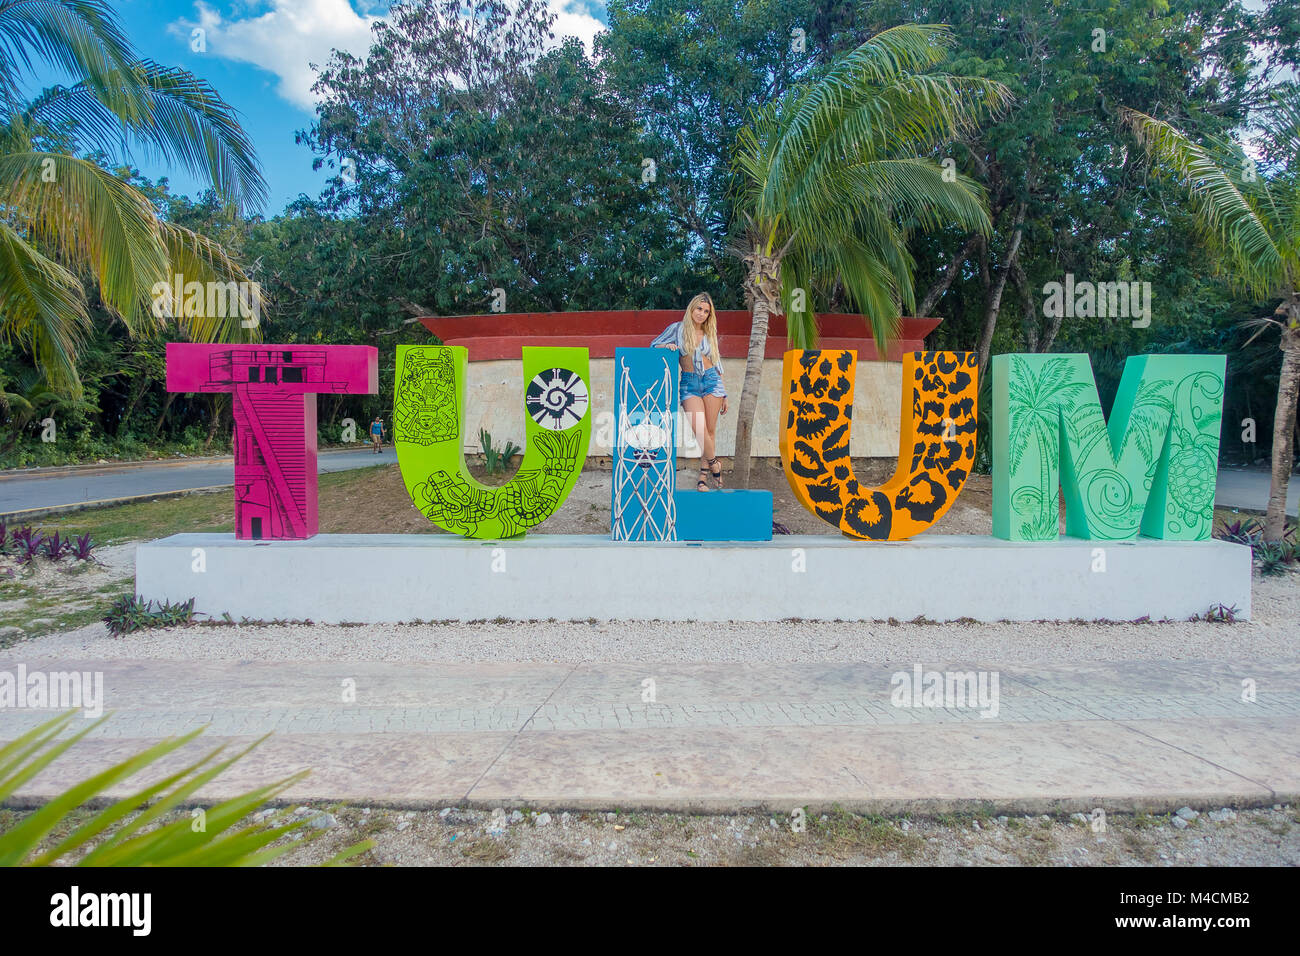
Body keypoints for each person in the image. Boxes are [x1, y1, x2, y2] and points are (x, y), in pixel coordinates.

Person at [651, 293, 728, 491]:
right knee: (700, 431)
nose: (701, 314)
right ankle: (715, 465)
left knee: (710, 432)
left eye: (706, 311)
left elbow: (716, 362)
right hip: (689, 384)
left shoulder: (709, 332)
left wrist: (724, 392)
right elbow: (653, 345)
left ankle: (702, 478)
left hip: (712, 382)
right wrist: (666, 346)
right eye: (699, 309)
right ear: (691, 308)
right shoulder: (676, 329)